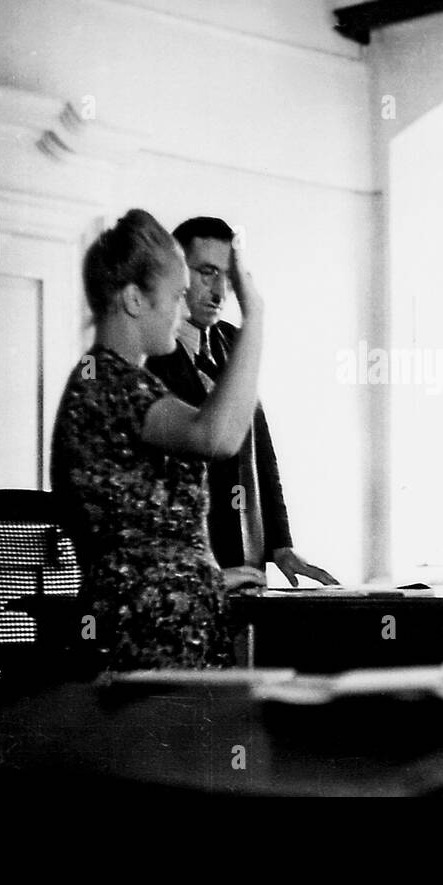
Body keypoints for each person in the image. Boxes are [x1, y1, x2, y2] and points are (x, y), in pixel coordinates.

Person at [50, 209, 267, 670]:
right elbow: (218, 436)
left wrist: (205, 577)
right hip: (144, 635)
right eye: (174, 296)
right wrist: (257, 316)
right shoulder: (109, 382)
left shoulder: (124, 380)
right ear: (133, 299)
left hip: (161, 618)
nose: (182, 307)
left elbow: (153, 540)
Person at [145, 217, 336, 587]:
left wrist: (281, 544)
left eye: (229, 278)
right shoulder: (151, 354)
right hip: (184, 565)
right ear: (176, 275)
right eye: (206, 273)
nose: (219, 290)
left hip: (245, 553)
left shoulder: (233, 341)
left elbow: (259, 446)